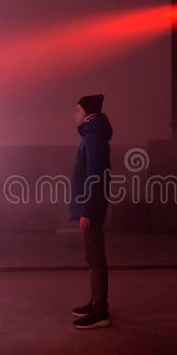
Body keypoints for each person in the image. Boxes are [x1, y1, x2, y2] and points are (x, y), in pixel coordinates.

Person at [69, 94, 113, 329]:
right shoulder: (91, 135)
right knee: (93, 257)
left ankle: (101, 310)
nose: (75, 114)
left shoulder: (93, 137)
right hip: (91, 206)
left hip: (91, 208)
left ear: (89, 113)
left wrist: (87, 209)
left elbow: (94, 176)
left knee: (95, 257)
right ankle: (96, 300)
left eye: (78, 110)